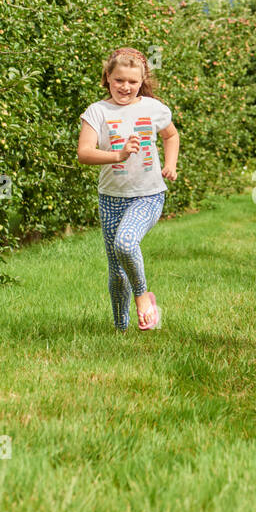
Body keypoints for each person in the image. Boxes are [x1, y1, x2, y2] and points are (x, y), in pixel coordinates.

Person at [77, 47, 178, 331]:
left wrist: (170, 164)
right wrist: (117, 156)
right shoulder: (97, 112)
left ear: (142, 80)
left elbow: (171, 135)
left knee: (125, 243)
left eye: (133, 81)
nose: (126, 87)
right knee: (116, 270)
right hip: (110, 198)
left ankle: (143, 296)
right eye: (119, 80)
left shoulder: (153, 108)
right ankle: (120, 329)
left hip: (148, 195)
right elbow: (84, 153)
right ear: (108, 77)